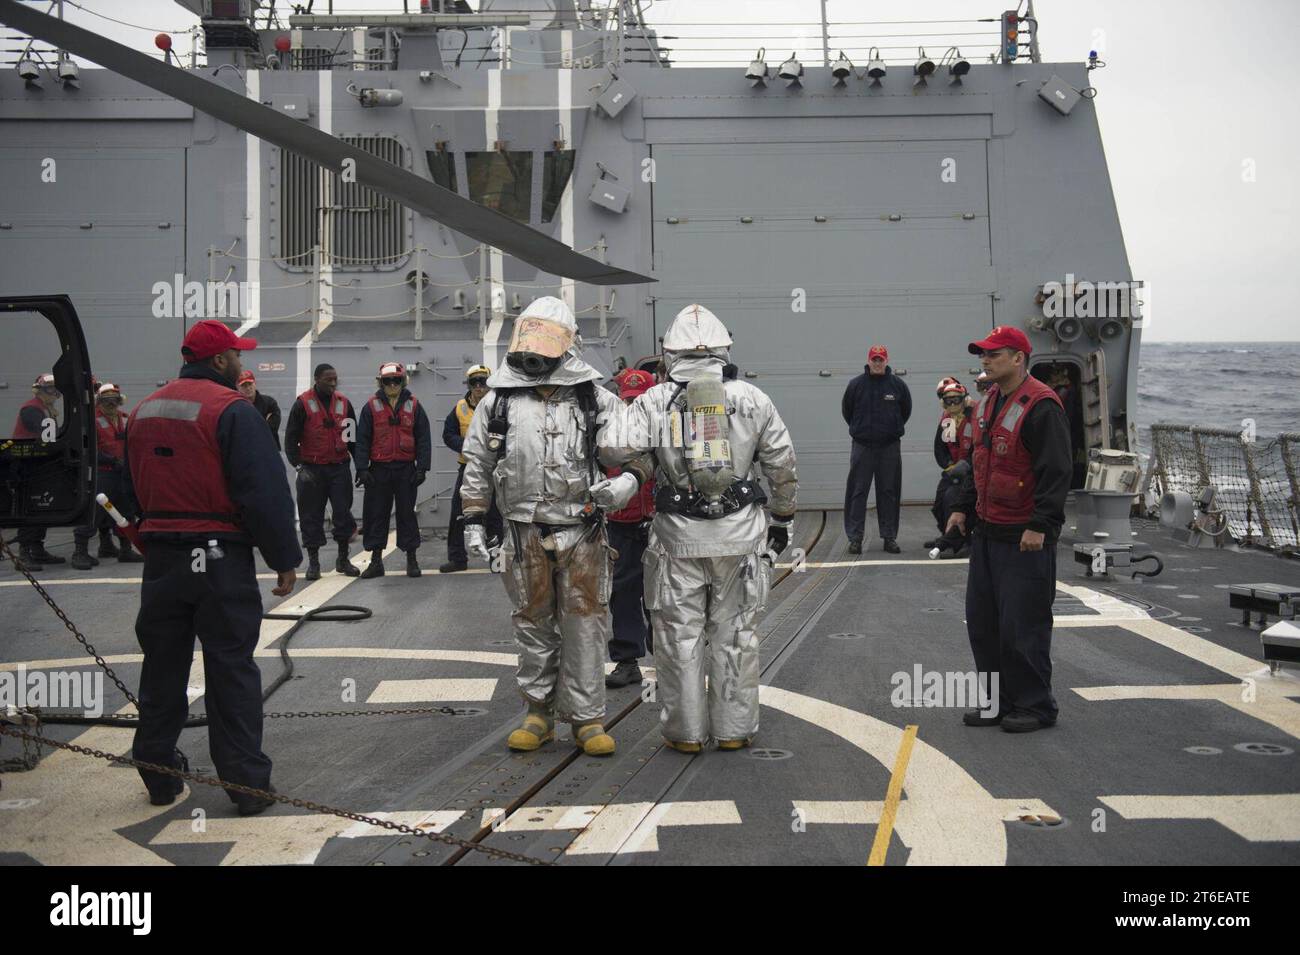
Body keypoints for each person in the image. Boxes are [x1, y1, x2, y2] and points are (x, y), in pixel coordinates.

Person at [125, 319, 300, 814]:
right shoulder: (232, 410)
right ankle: (247, 789)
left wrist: (149, 532)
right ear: (220, 361)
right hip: (218, 558)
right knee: (230, 670)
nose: (242, 364)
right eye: (237, 356)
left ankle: (158, 775)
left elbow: (123, 486)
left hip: (161, 557)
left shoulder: (142, 410)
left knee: (162, 666)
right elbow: (263, 493)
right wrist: (284, 558)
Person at [606, 304, 799, 753]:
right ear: (723, 348)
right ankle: (733, 730)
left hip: (676, 539)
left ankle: (686, 734)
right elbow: (782, 464)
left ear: (668, 353)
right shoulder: (753, 398)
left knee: (678, 639)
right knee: (735, 636)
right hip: (741, 537)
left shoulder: (655, 399)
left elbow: (614, 447)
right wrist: (783, 518)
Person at [459, 297, 643, 757]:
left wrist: (628, 484)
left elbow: (635, 451)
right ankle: (538, 714)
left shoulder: (595, 399)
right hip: (523, 532)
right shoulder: (498, 402)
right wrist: (474, 520)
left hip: (582, 531)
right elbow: (478, 463)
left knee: (586, 623)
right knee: (532, 623)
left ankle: (587, 718)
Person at [946, 326, 1072, 734]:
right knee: (983, 623)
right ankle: (997, 702)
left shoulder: (1041, 406)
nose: (985, 360)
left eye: (994, 354)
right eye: (983, 354)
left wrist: (1041, 525)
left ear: (1018, 358)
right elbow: (978, 464)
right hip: (988, 532)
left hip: (1024, 537)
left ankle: (1035, 705)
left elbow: (1056, 471)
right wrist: (962, 510)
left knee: (1024, 624)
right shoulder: (986, 404)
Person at [602, 369, 657, 689]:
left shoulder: (665, 427)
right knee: (622, 593)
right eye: (628, 400)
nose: (633, 405)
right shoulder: (609, 434)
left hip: (658, 524)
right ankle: (627, 661)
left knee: (663, 597)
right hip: (621, 524)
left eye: (638, 400)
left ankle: (670, 661)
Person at [354, 361, 432, 579]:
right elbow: (362, 440)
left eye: (396, 380)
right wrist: (361, 469)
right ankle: (376, 561)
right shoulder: (370, 407)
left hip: (405, 469)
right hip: (378, 470)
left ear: (403, 381)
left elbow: (424, 438)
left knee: (407, 515)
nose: (392, 384)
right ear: (381, 382)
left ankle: (411, 560)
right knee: (376, 514)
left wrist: (422, 468)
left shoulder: (414, 406)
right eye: (387, 381)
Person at [283, 363, 360, 580]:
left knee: (343, 514)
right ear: (317, 379)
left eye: (335, 379)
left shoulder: (344, 404)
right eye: (328, 379)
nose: (333, 383)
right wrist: (298, 466)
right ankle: (314, 563)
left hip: (339, 468)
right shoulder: (302, 405)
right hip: (312, 470)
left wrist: (361, 468)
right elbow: (291, 440)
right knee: (311, 517)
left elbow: (352, 439)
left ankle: (343, 559)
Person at [841, 344, 910, 554]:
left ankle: (889, 537)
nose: (878, 363)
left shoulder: (897, 386)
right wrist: (861, 430)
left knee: (888, 492)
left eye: (881, 359)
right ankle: (855, 538)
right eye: (874, 359)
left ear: (886, 361)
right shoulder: (856, 385)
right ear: (869, 361)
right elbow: (847, 412)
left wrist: (891, 430)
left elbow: (905, 411)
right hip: (863, 447)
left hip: (889, 447)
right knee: (858, 491)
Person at [71, 383, 143, 570]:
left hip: (123, 474)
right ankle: (80, 552)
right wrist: (110, 460)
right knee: (94, 512)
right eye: (106, 401)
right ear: (99, 402)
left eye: (114, 400)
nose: (111, 404)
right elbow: (88, 450)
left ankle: (125, 549)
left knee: (126, 511)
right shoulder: (91, 422)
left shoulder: (125, 420)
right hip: (102, 474)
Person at [439, 364, 503, 574]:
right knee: (458, 513)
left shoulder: (499, 406)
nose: (478, 386)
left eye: (482, 382)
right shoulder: (460, 408)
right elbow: (448, 434)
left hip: (492, 468)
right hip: (467, 467)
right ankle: (457, 558)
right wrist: (468, 447)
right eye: (474, 382)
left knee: (495, 515)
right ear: (469, 384)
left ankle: (497, 559)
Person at [11, 373, 66, 568]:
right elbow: (48, 435)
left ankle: (37, 548)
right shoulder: (32, 409)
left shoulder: (45, 409)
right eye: (50, 389)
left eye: (56, 390)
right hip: (27, 465)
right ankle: (24, 553)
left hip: (40, 464)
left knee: (42, 507)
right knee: (30, 508)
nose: (54, 394)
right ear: (41, 390)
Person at [926, 377, 975, 558]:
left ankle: (964, 541)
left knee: (955, 501)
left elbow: (980, 446)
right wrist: (948, 465)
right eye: (948, 399)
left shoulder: (975, 416)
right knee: (939, 504)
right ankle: (946, 536)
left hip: (971, 471)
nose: (952, 403)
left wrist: (967, 464)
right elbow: (940, 448)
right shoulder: (947, 419)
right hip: (953, 471)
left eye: (956, 399)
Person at [237, 370, 282, 450]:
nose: (248, 388)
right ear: (238, 388)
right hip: (247, 451)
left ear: (255, 384)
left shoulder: (269, 403)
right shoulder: (237, 407)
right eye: (244, 386)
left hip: (269, 450)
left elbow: (273, 428)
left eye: (250, 384)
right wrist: (263, 423)